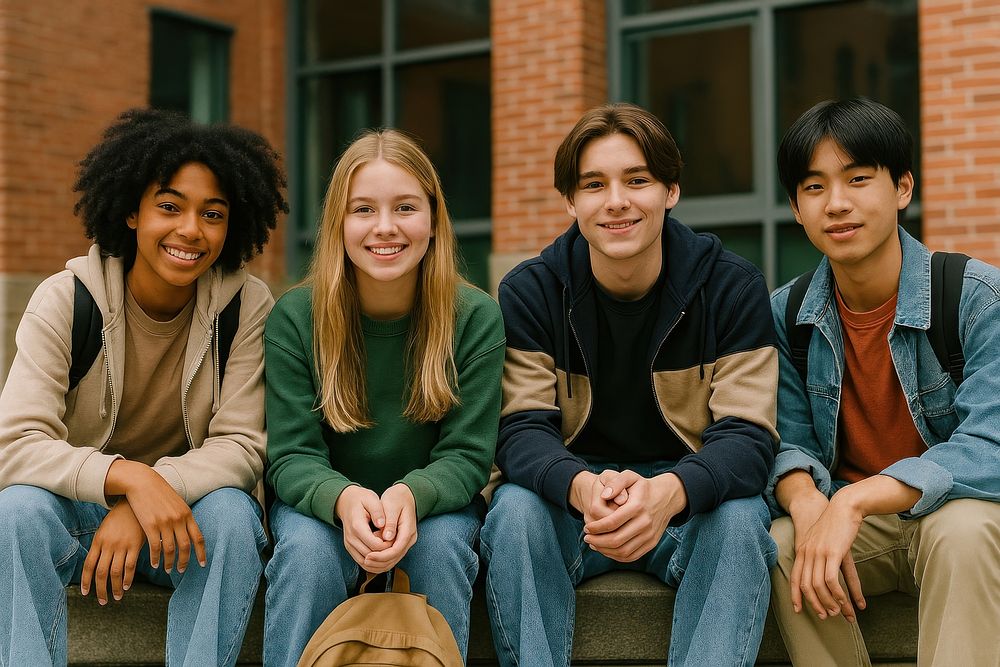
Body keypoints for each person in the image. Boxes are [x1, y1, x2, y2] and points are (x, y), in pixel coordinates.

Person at [481, 102, 780, 666]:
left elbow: (748, 437)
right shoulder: (531, 292)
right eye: (594, 184)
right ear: (570, 201)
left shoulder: (732, 288)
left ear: (671, 190)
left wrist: (669, 492)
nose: (616, 201)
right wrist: (581, 487)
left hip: (686, 502)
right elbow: (519, 430)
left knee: (740, 519)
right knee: (515, 511)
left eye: (637, 180)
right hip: (574, 502)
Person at [0, 108, 288, 666]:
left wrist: (151, 497)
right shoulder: (66, 300)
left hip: (185, 522)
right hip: (79, 517)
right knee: (16, 513)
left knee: (233, 517)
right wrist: (129, 480)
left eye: (212, 214)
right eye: (170, 207)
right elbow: (16, 444)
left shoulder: (245, 307)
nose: (191, 230)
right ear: (133, 212)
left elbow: (243, 446)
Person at [767, 97, 1000, 666]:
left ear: (902, 188)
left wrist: (853, 500)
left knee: (964, 529)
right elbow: (785, 440)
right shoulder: (786, 314)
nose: (837, 203)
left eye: (858, 179)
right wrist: (807, 503)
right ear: (796, 208)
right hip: (861, 533)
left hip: (952, 517)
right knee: (781, 543)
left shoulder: (974, 297)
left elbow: (990, 447)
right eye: (815, 187)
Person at [262, 128, 504, 666]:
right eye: (363, 209)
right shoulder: (296, 318)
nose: (385, 227)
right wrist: (344, 499)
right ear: (338, 223)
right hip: (322, 505)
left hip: (435, 505)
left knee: (440, 551)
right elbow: (291, 455)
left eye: (406, 207)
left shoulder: (474, 318)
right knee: (306, 556)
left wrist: (410, 496)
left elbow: (468, 455)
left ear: (434, 220)